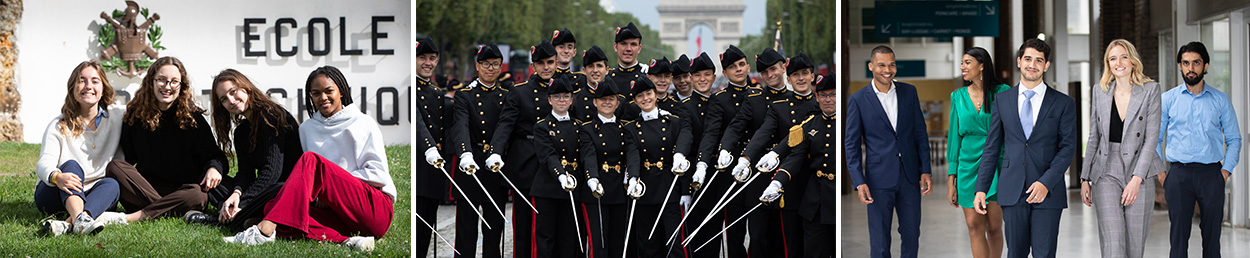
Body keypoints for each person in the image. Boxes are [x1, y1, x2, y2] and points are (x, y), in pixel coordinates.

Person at [222, 66, 393, 252]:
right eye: (316, 93)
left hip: (374, 209)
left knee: (310, 160)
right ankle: (348, 241)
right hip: (337, 214)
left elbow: (378, 175)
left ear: (341, 91)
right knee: (274, 207)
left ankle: (265, 230)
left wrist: (331, 189)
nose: (323, 98)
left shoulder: (363, 122)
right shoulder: (307, 129)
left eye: (329, 91)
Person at [973, 38, 1076, 258]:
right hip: (1012, 191)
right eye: (1028, 59)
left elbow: (1067, 148)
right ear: (1019, 61)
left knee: (1044, 253)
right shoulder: (1002, 100)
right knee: (1015, 253)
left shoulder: (1063, 103)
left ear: (1046, 66)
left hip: (1048, 192)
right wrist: (981, 188)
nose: (1033, 64)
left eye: (1039, 60)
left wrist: (1045, 183)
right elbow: (992, 148)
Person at [112, 56, 227, 224]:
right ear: (151, 81)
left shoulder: (192, 118)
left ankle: (141, 215)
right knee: (115, 167)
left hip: (183, 191)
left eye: (174, 82)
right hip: (145, 188)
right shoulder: (135, 117)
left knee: (198, 194)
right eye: (162, 80)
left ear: (181, 86)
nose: (167, 87)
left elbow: (215, 155)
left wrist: (214, 168)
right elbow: (128, 159)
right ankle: (165, 209)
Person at [844, 45, 933, 258]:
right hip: (877, 180)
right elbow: (851, 145)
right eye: (882, 64)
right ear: (871, 66)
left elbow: (920, 134)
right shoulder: (858, 100)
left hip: (910, 178)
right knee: (880, 240)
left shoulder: (909, 92)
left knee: (911, 235)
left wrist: (926, 170)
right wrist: (859, 181)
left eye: (892, 64)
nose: (888, 69)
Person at [189, 69, 303, 234]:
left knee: (278, 188)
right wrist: (236, 193)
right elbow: (246, 173)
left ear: (246, 88)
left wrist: (242, 202)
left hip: (287, 190)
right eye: (224, 99)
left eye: (233, 92)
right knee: (210, 183)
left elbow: (272, 173)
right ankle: (242, 217)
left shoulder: (271, 116)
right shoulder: (241, 132)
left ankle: (227, 218)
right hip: (264, 192)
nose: (231, 100)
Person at [1077, 39, 1161, 258]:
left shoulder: (1150, 90)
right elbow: (1094, 137)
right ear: (1108, 64)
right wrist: (1085, 178)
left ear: (1133, 61)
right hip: (1106, 170)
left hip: (1140, 170)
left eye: (1124, 56)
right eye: (1113, 58)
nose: (1119, 62)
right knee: (1114, 244)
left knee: (1134, 248)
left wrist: (1136, 179)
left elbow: (1151, 138)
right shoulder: (1100, 91)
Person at [1158, 41, 1240, 258]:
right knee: (1178, 239)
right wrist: (1161, 173)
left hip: (1211, 175)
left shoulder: (1220, 100)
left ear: (1206, 66)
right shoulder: (1168, 99)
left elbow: (1234, 139)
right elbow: (1154, 140)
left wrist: (1225, 172)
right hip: (1178, 175)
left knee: (1212, 238)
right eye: (1186, 63)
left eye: (1196, 63)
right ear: (1179, 66)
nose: (1190, 68)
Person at [719, 47, 797, 257]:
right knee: (758, 235)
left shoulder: (794, 98)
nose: (770, 75)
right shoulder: (754, 99)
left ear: (783, 68)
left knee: (783, 235)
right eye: (764, 72)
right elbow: (735, 126)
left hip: (788, 173)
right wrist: (725, 149)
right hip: (759, 177)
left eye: (773, 69)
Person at [34, 60, 125, 236]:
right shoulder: (59, 125)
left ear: (103, 88)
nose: (88, 86)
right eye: (81, 80)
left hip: (95, 195)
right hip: (56, 192)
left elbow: (146, 107)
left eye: (95, 81)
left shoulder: (118, 117)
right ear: (73, 88)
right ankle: (80, 219)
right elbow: (44, 163)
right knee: (71, 165)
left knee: (112, 184)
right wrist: (57, 177)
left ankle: (70, 224)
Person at [485, 39, 558, 258]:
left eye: (550, 62)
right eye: (541, 63)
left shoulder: (564, 90)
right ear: (533, 66)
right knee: (524, 225)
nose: (546, 67)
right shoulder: (519, 92)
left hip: (554, 162)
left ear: (556, 63)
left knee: (553, 225)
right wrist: (496, 151)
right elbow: (505, 125)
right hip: (525, 162)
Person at [759, 74, 836, 258]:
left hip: (835, 199)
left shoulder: (846, 123)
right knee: (812, 251)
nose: (828, 100)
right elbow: (796, 156)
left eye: (832, 94)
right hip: (814, 201)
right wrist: (777, 182)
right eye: (823, 95)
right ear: (816, 97)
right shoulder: (809, 125)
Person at [946, 47, 1009, 258]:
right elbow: (954, 139)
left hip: (996, 164)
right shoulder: (957, 96)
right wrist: (951, 179)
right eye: (962, 63)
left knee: (993, 226)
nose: (962, 67)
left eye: (967, 63)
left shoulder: (1002, 92)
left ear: (981, 66)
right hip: (967, 166)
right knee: (973, 226)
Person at [451, 42, 511, 258]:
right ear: (477, 66)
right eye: (486, 64)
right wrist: (465, 153)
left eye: (495, 64)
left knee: (494, 230)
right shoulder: (464, 95)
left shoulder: (506, 95)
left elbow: (506, 127)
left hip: (495, 168)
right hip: (471, 166)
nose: (491, 68)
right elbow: (461, 126)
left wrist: (497, 151)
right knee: (466, 230)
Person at [625, 77, 692, 258]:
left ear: (656, 95)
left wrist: (685, 189)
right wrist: (632, 178)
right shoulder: (632, 128)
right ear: (635, 101)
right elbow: (633, 155)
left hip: (669, 189)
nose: (645, 98)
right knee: (648, 245)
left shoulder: (673, 122)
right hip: (645, 190)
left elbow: (685, 143)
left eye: (648, 93)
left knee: (675, 243)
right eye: (640, 96)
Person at [528, 77, 585, 258]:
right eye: (557, 96)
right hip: (548, 187)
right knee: (545, 238)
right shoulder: (542, 126)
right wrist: (561, 175)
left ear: (571, 99)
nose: (562, 100)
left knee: (569, 238)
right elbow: (547, 155)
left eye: (566, 96)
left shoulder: (579, 126)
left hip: (573, 187)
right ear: (550, 99)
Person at [578, 80, 635, 258]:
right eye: (603, 99)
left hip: (620, 189)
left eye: (611, 99)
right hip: (597, 191)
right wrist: (592, 179)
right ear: (595, 102)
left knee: (619, 243)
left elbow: (632, 153)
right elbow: (588, 155)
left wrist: (632, 176)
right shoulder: (587, 129)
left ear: (618, 103)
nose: (607, 103)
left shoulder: (626, 127)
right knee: (598, 244)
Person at [414, 37, 454, 258]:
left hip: (434, 173)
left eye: (432, 58)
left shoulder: (438, 94)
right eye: (422, 58)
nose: (427, 62)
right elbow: (419, 124)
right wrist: (429, 148)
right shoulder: (410, 89)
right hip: (419, 168)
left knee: (427, 233)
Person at [681, 52, 720, 258]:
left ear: (714, 77)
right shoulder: (684, 107)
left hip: (720, 176)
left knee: (716, 235)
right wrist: (685, 188)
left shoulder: (721, 103)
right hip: (696, 178)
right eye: (697, 75)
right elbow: (686, 145)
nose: (702, 79)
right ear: (691, 78)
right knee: (696, 235)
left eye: (707, 74)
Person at [606, 22, 648, 102]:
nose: (628, 49)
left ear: (639, 48)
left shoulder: (647, 76)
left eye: (633, 44)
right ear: (615, 47)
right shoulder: (607, 79)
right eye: (623, 44)